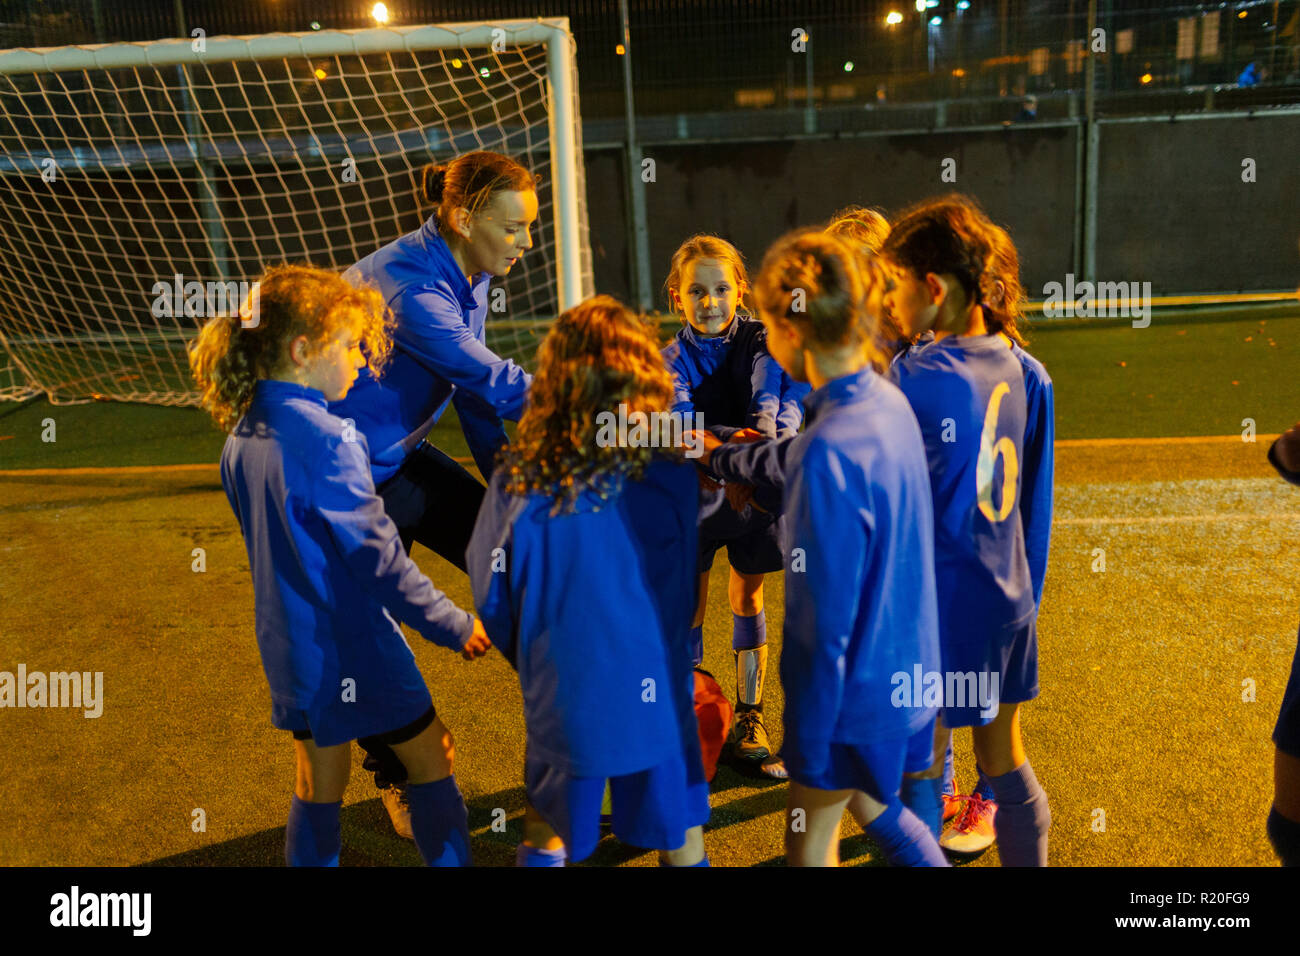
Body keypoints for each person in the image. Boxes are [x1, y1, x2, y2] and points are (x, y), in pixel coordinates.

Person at [189, 264, 491, 866]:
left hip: (288, 645)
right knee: (434, 758)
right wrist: (454, 624)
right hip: (355, 642)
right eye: (352, 347)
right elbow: (380, 562)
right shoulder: (332, 438)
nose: (362, 362)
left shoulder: (239, 438)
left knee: (318, 782)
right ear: (303, 350)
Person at [701, 229, 947, 866]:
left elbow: (824, 622)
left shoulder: (826, 452)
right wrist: (727, 457)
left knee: (810, 844)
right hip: (911, 670)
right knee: (885, 814)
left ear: (785, 333)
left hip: (848, 696)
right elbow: (788, 453)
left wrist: (806, 731)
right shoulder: (884, 400)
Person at [329, 150, 537, 833]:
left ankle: (570, 737)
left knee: (515, 564)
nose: (525, 242)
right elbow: (502, 385)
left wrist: (513, 493)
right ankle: (396, 774)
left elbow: (479, 403)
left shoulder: (467, 273)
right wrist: (609, 409)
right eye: (512, 228)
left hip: (400, 464)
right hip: (338, 487)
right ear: (462, 216)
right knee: (368, 635)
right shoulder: (409, 287)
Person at [468, 295, 713, 866]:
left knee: (550, 828)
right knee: (678, 829)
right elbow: (680, 590)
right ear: (645, 376)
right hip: (656, 687)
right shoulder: (671, 472)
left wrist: (536, 660)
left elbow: (492, 593)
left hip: (566, 688)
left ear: (556, 380)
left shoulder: (518, 476)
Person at [882, 195, 1051, 865]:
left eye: (895, 287)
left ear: (931, 288)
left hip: (936, 607)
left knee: (918, 765)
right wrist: (1023, 599)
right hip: (1006, 605)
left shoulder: (914, 374)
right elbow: (1032, 514)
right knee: (1004, 760)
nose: (890, 305)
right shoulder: (1027, 370)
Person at [938, 217, 1055, 857]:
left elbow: (1030, 509)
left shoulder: (1029, 378)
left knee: (992, 747)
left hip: (975, 602)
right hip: (954, 600)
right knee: (932, 750)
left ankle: (972, 806)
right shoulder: (915, 366)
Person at [661, 235, 798, 770]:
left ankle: (748, 714)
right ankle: (690, 713)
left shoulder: (764, 339)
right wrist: (734, 456)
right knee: (687, 606)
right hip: (697, 494)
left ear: (741, 289)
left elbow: (774, 402)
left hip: (752, 495)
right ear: (677, 297)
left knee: (747, 596)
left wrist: (755, 453)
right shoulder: (668, 359)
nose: (710, 300)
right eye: (697, 291)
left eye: (721, 288)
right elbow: (681, 426)